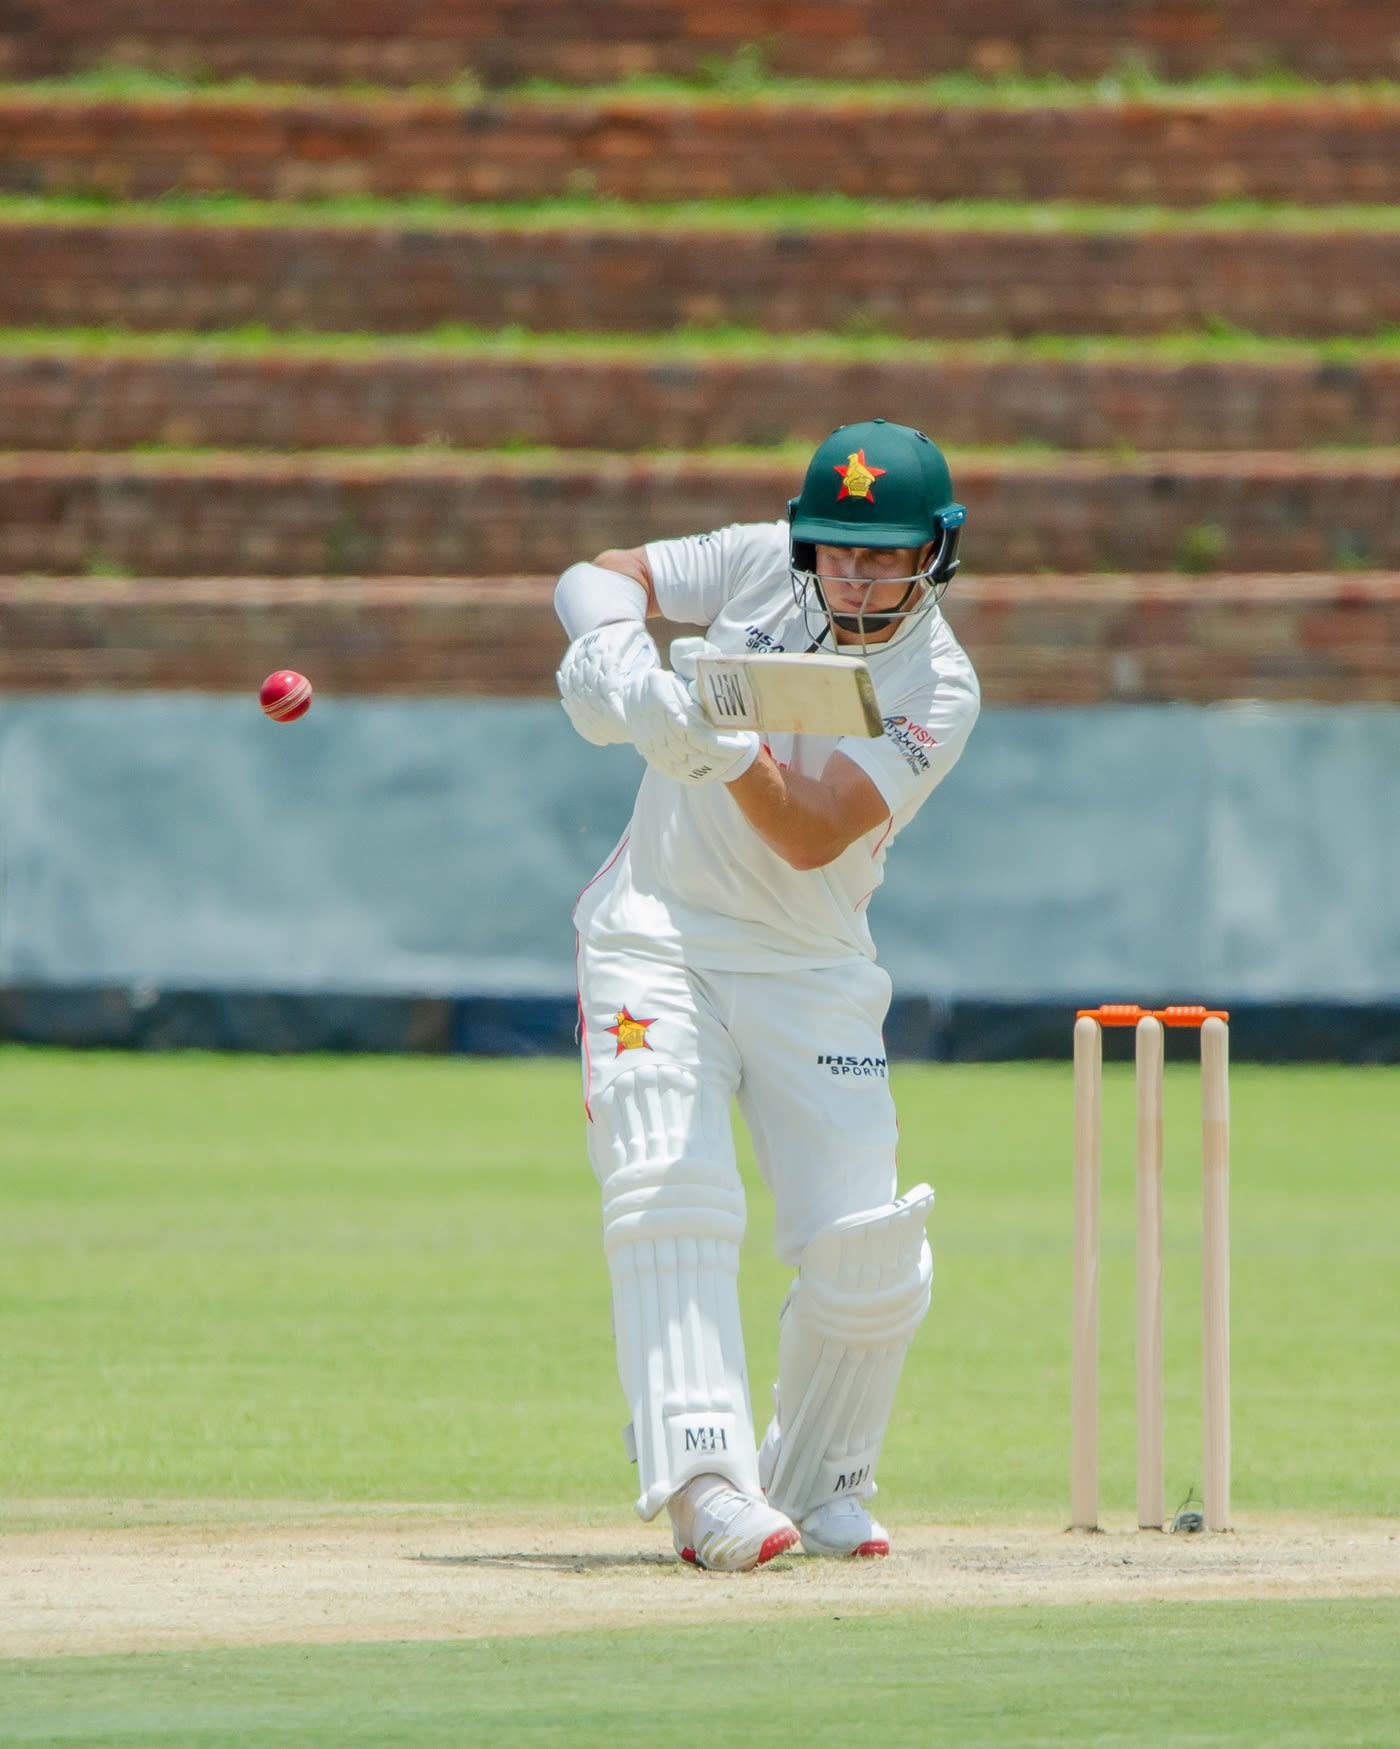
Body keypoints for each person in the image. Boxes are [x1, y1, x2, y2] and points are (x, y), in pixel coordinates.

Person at [554, 419, 980, 1572]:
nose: (855, 573)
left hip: (809, 962)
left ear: (932, 555)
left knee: (868, 1247)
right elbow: (600, 574)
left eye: (883, 553)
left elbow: (808, 833)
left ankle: (820, 1478)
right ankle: (704, 1485)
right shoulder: (753, 559)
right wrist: (613, 657)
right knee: (670, 1187)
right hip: (658, 940)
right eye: (837, 549)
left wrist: (719, 749)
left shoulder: (935, 683)